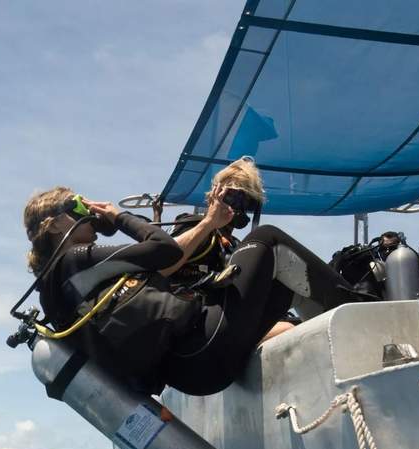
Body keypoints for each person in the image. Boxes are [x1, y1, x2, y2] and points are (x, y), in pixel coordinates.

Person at [22, 159, 354, 396]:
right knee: (267, 238)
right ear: (53, 226)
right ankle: (361, 312)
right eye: (78, 209)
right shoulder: (74, 262)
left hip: (189, 366)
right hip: (201, 350)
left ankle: (342, 334)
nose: (88, 215)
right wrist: (117, 215)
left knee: (279, 283)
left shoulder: (61, 284)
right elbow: (164, 250)